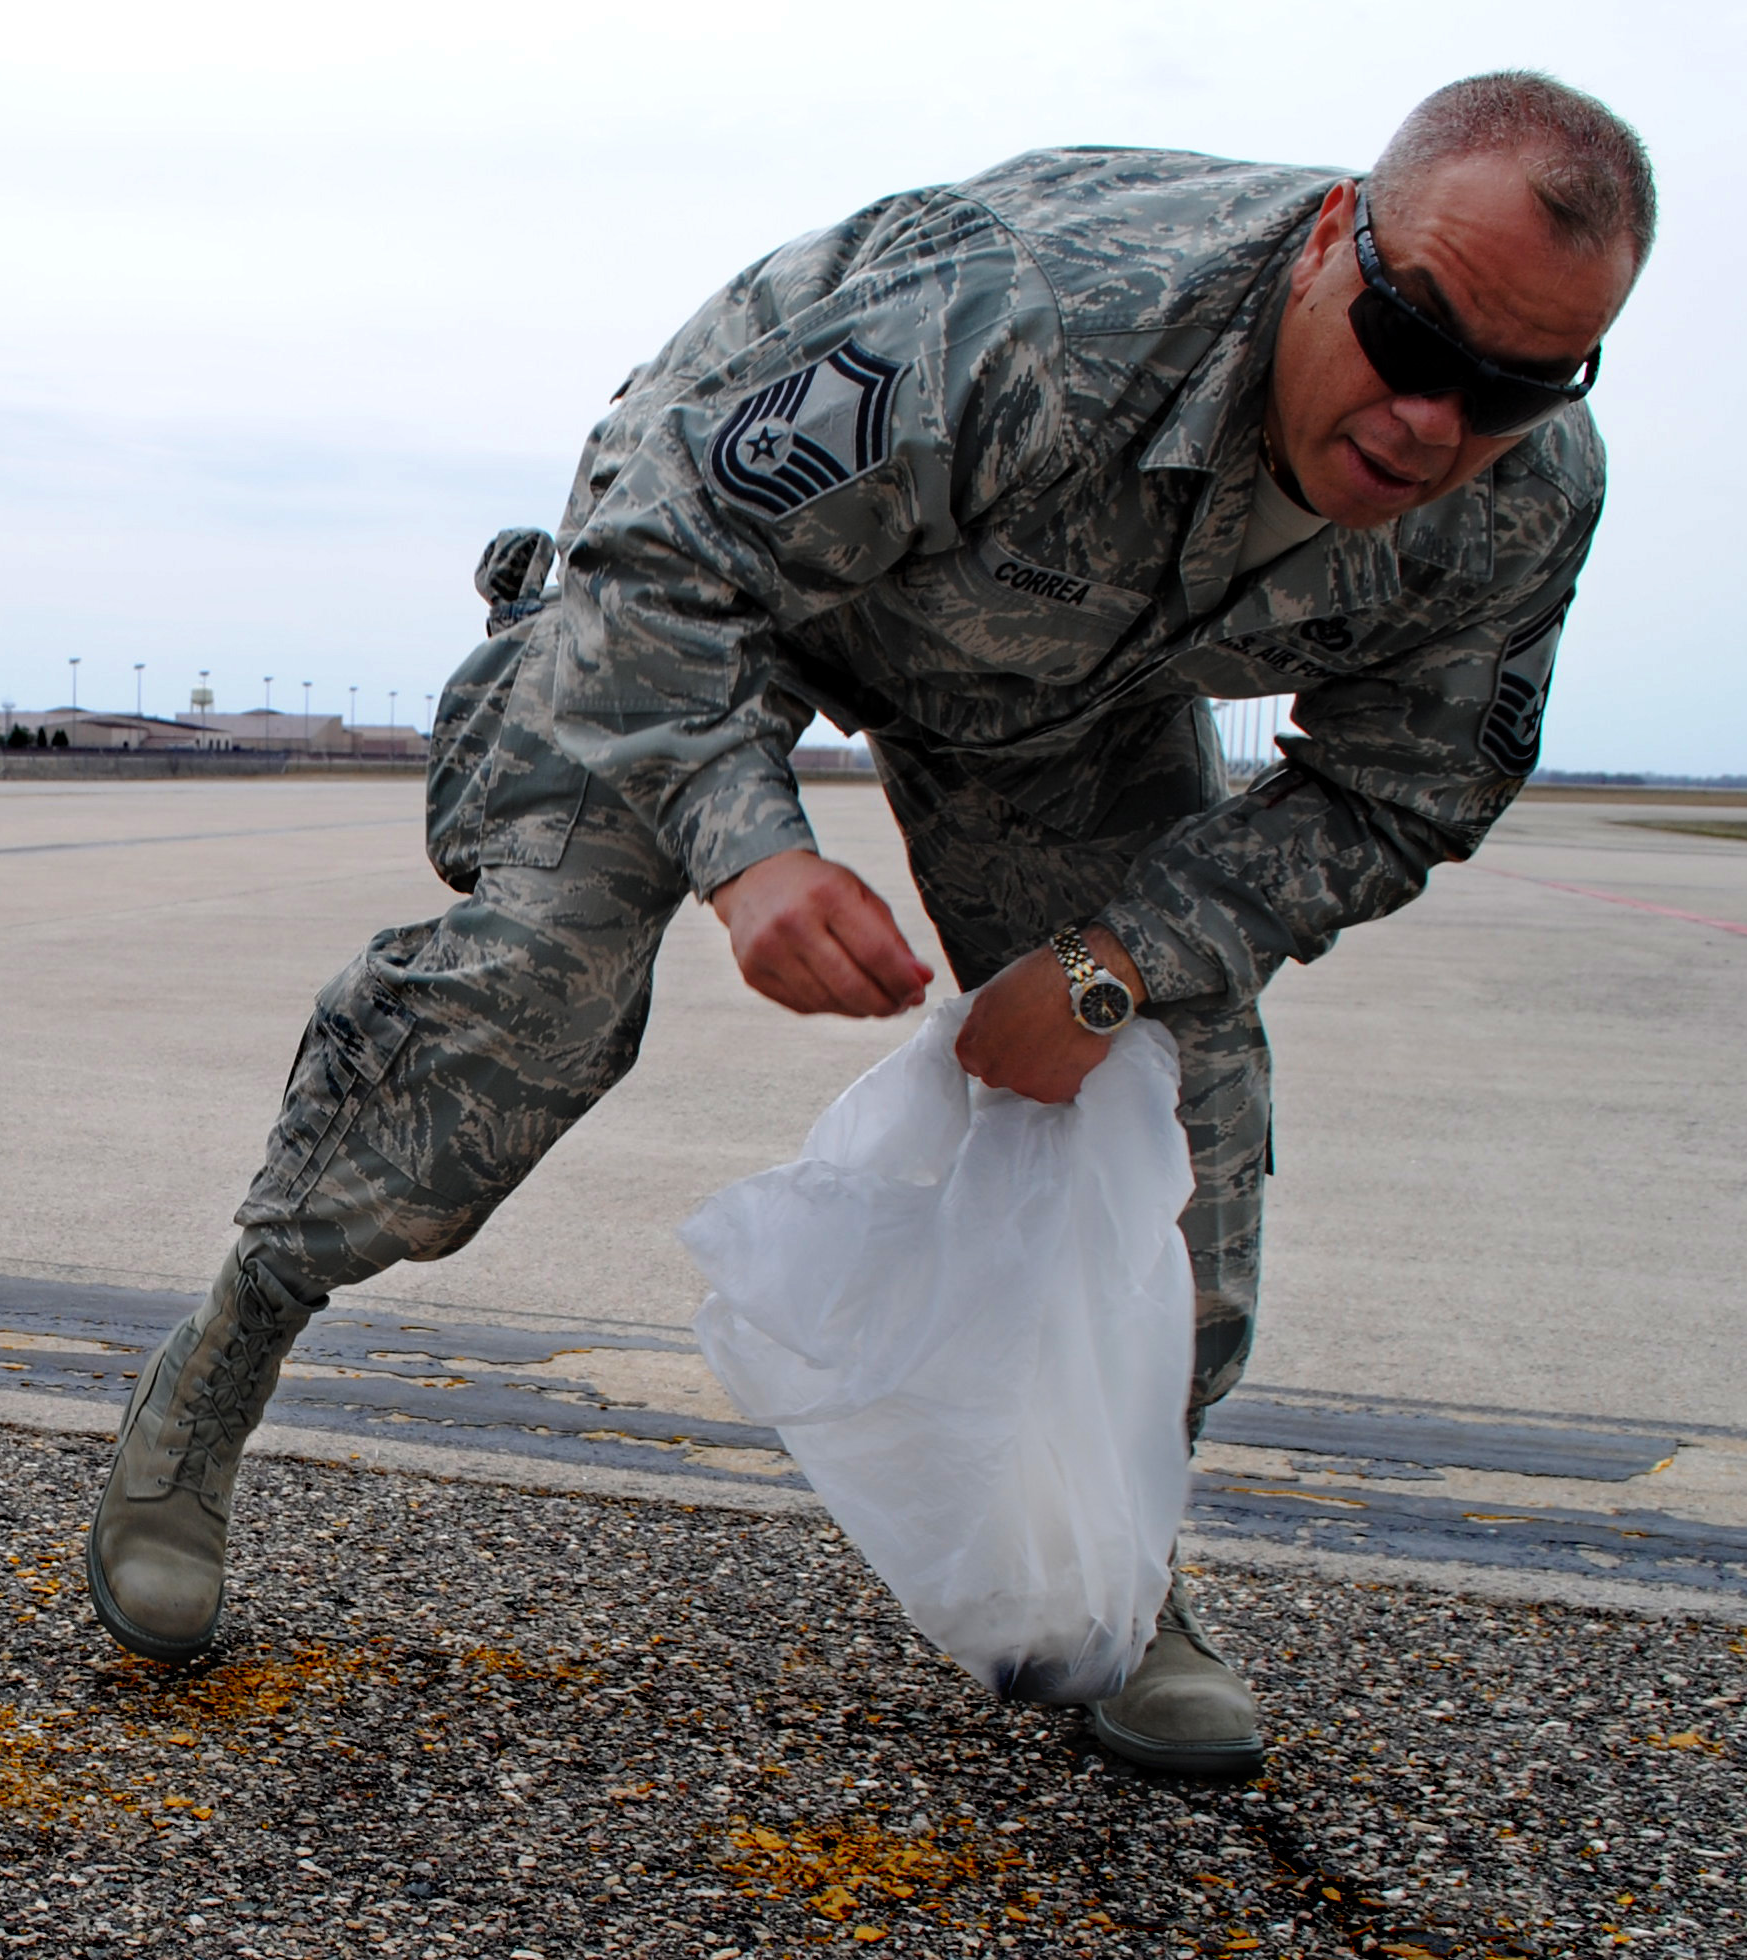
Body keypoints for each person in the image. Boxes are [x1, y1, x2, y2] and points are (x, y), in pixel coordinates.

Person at [87, 71, 1654, 1778]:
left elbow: (1407, 788)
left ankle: (1109, 1562)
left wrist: (1115, 967)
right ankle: (222, 1362)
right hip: (713, 604)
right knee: (530, 997)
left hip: (1050, 705)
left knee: (1169, 1106)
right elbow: (667, 537)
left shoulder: (1519, 501)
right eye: (1413, 338)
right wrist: (748, 847)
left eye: (1511, 385)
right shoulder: (1042, 312)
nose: (1435, 421)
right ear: (1337, 237)